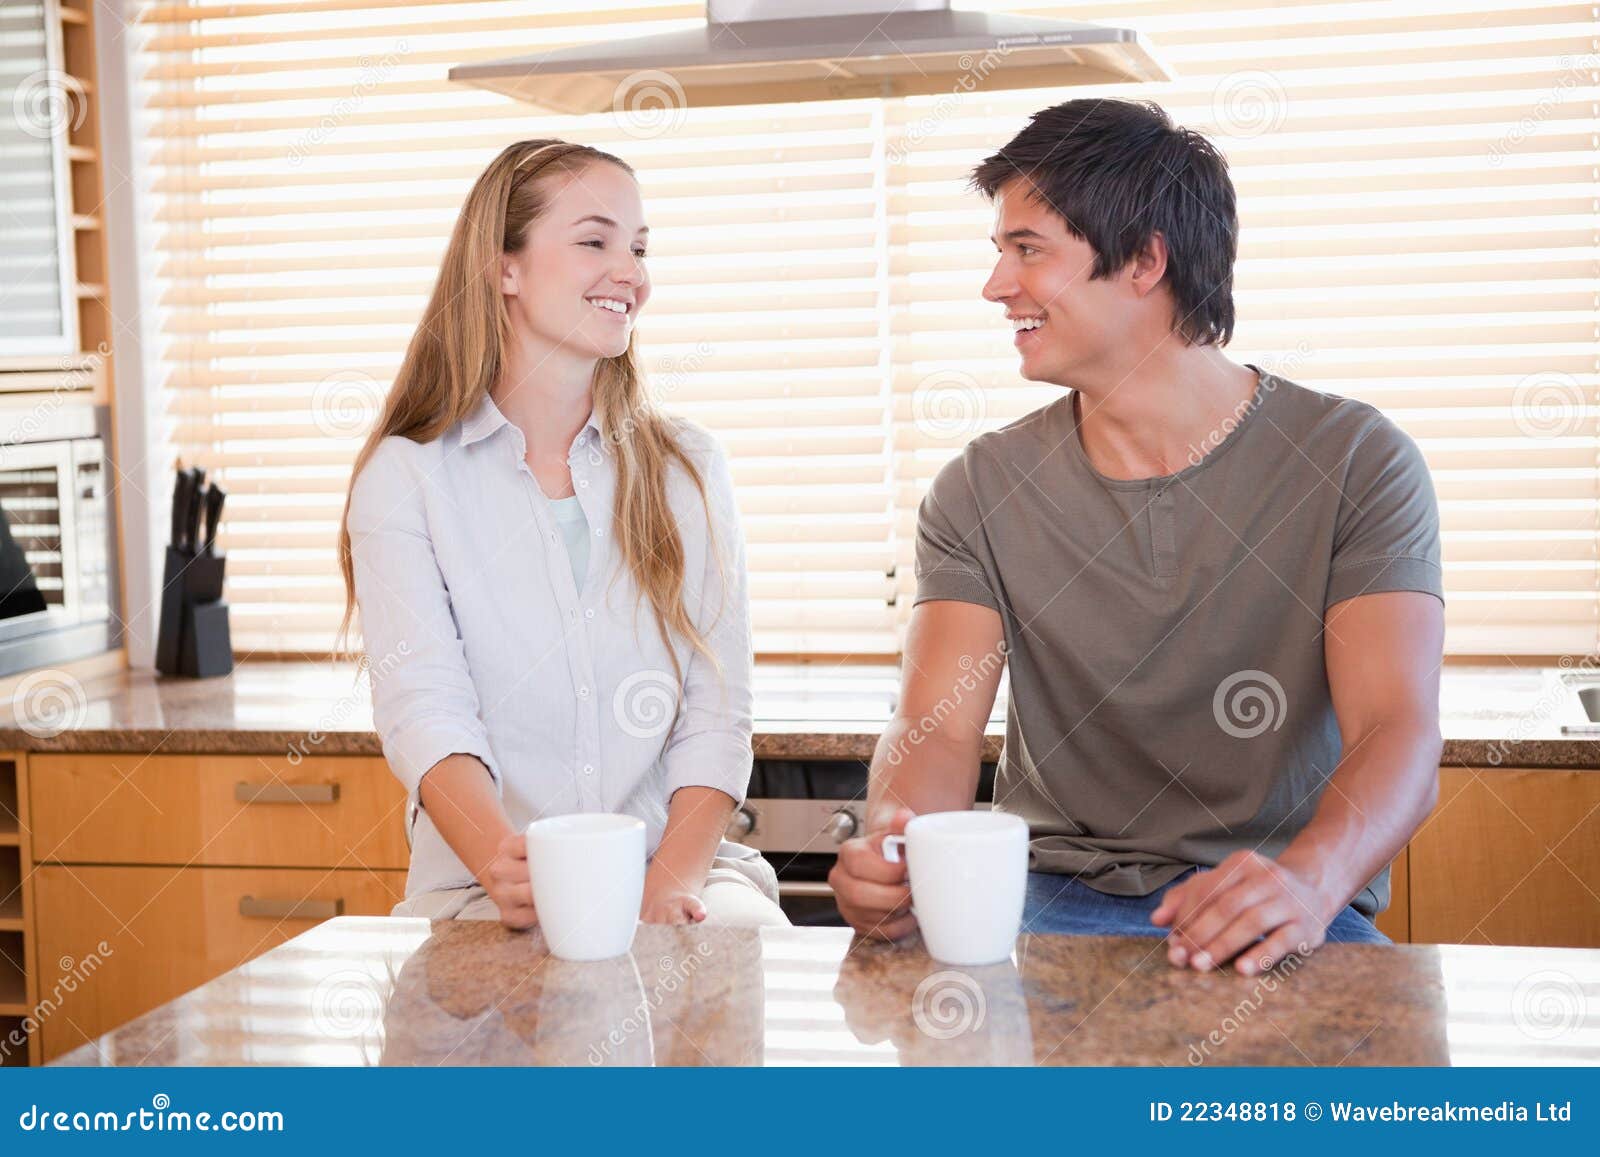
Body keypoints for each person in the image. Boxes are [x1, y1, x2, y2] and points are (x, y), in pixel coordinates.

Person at [829, 100, 1444, 975]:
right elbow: (935, 726)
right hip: (1042, 898)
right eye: (999, 252)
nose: (997, 285)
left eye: (1028, 249)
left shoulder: (1356, 461)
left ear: (1146, 261)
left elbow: (1398, 729)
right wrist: (897, 844)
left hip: (1278, 898)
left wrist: (1307, 884)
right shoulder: (981, 487)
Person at [339, 139, 788, 930]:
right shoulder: (408, 478)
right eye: (595, 241)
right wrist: (503, 864)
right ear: (503, 267)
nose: (632, 273)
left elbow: (718, 711)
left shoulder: (687, 470)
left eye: (640, 248)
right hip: (483, 887)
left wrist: (668, 880)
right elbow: (424, 708)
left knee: (734, 948)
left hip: (677, 870)